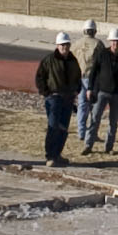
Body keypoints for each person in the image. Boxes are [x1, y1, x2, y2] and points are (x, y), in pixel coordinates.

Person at [82, 25, 118, 153]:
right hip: (101, 93)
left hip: (117, 95)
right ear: (110, 41)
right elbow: (93, 72)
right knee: (95, 119)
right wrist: (90, 88)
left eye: (117, 41)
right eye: (113, 41)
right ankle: (88, 145)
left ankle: (109, 147)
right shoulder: (102, 54)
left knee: (113, 122)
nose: (115, 43)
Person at [32, 29, 80, 166]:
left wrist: (77, 90)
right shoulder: (49, 60)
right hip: (54, 98)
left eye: (67, 44)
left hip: (68, 99)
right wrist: (46, 92)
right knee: (53, 126)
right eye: (62, 45)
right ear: (57, 46)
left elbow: (78, 77)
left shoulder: (73, 60)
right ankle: (50, 156)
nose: (65, 47)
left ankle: (58, 154)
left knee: (63, 128)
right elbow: (40, 77)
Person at [72, 19, 104, 147]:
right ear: (94, 31)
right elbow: (102, 62)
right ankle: (91, 133)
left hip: (79, 77)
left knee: (81, 105)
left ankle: (81, 132)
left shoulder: (77, 44)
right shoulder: (98, 44)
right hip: (92, 79)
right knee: (93, 107)